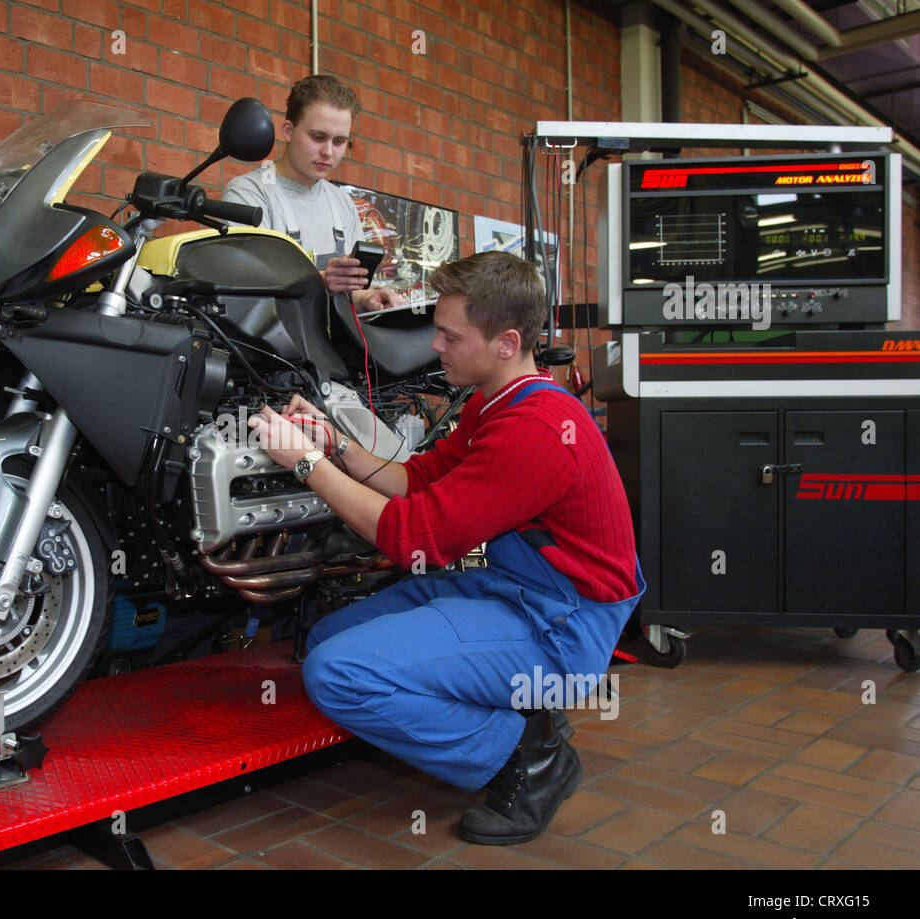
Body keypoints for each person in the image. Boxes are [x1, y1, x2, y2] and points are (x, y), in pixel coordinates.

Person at [247, 251, 645, 845]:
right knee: (327, 639)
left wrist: (303, 465)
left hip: (561, 624)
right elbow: (417, 477)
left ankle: (529, 757)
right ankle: (519, 706)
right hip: (510, 588)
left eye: (450, 335)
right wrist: (334, 445)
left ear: (507, 342)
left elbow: (412, 537)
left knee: (339, 675)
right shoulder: (499, 400)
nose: (436, 346)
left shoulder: (536, 428)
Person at [222, 75, 403, 315]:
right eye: (318, 137)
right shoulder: (248, 194)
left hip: (330, 348)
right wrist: (322, 280)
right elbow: (252, 286)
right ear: (288, 130)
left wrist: (369, 299)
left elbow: (353, 291)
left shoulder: (342, 203)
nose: (328, 152)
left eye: (339, 141)